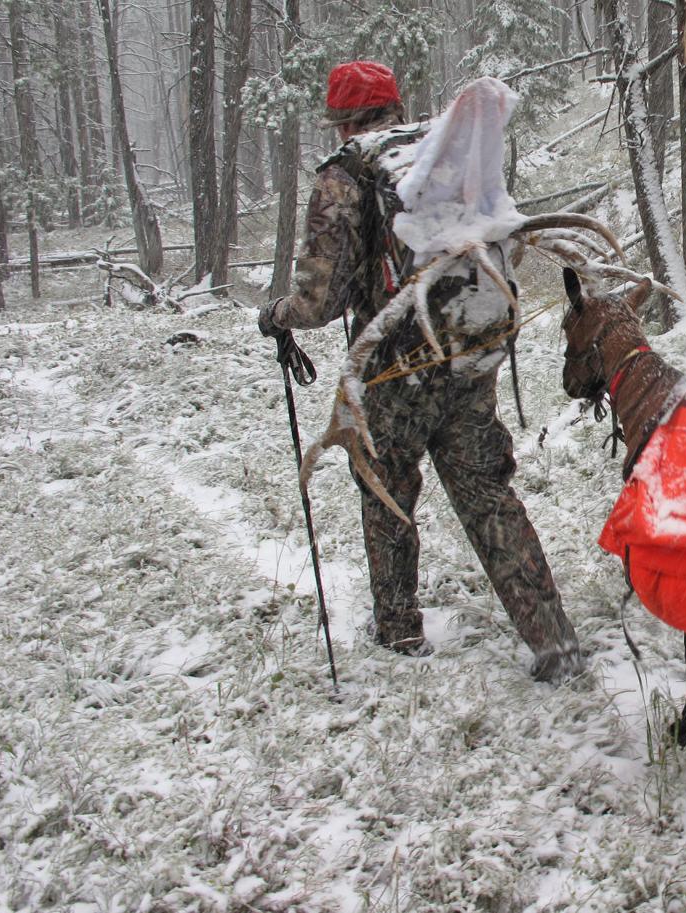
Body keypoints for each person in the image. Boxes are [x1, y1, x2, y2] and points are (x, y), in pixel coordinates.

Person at [258, 61, 583, 682]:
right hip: (466, 350)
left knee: (386, 491)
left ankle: (401, 632)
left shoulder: (345, 175)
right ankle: (554, 641)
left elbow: (321, 300)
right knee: (489, 492)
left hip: (393, 368)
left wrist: (278, 315)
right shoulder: (440, 152)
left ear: (340, 119)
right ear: (393, 106)